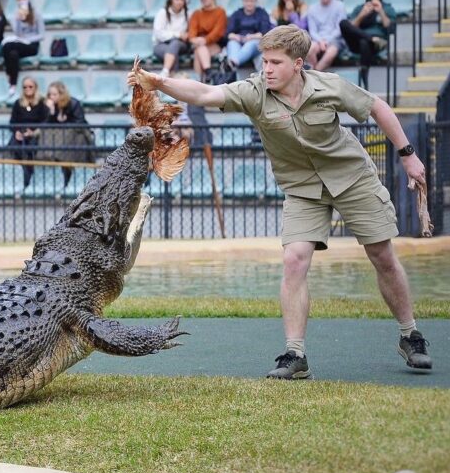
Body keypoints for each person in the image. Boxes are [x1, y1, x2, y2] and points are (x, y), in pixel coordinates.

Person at [127, 24, 433, 380]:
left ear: (298, 64)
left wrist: (408, 155)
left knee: (382, 255)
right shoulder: (254, 92)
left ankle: (410, 334)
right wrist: (160, 82)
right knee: (294, 259)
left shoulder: (328, 85)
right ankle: (295, 354)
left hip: (351, 177)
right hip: (302, 187)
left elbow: (377, 107)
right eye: (264, 61)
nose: (267, 68)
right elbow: (206, 93)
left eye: (275, 62)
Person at [340, 0, 397, 87]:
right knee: (343, 23)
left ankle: (364, 74)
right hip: (358, 41)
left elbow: (390, 28)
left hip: (376, 44)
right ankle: (370, 38)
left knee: (364, 42)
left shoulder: (387, 8)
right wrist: (361, 15)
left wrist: (380, 11)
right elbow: (351, 28)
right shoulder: (359, 8)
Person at [44, 81, 90, 186]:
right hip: (60, 139)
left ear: (61, 94)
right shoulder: (53, 107)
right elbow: (47, 125)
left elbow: (80, 122)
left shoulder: (74, 103)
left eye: (54, 94)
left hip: (77, 136)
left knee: (66, 135)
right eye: (50, 95)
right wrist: (51, 112)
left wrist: (65, 122)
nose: (51, 97)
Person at [2, 0, 46, 96]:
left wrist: (28, 40)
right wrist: (17, 20)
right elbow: (17, 34)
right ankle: (13, 83)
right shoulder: (15, 16)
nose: (22, 1)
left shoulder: (36, 14)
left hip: (31, 45)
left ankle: (8, 74)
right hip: (19, 44)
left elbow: (42, 35)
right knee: (12, 53)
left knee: (9, 45)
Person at [9, 77, 48, 187]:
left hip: (35, 135)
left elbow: (45, 121)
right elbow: (12, 122)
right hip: (20, 135)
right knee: (16, 148)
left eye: (30, 86)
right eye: (25, 87)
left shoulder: (41, 103)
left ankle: (30, 180)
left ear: (35, 87)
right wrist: (17, 132)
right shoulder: (18, 103)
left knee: (30, 151)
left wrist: (33, 132)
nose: (27, 89)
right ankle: (22, 179)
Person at [225, 0, 273, 71]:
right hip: (239, 41)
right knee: (232, 43)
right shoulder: (237, 14)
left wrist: (251, 37)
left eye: (251, 1)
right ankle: (232, 66)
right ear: (243, 1)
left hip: (256, 42)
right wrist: (236, 37)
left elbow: (265, 32)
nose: (249, 3)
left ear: (256, 1)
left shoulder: (262, 13)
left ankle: (232, 63)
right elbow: (228, 33)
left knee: (250, 44)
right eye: (246, 1)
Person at [188, 0, 228, 79]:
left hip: (215, 44)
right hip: (199, 44)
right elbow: (191, 33)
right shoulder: (196, 13)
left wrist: (205, 40)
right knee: (199, 49)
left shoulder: (220, 12)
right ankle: (208, 71)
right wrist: (196, 40)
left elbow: (218, 32)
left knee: (198, 51)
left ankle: (198, 83)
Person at [306, 0, 346, 71]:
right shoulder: (312, 9)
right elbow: (312, 31)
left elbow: (339, 29)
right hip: (318, 39)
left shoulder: (340, 6)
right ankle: (314, 74)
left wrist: (326, 41)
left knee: (331, 53)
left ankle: (316, 74)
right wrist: (321, 41)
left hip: (335, 39)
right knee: (309, 50)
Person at [152, 0, 190, 78]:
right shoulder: (163, 13)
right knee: (173, 52)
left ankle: (165, 72)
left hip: (181, 44)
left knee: (175, 44)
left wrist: (184, 35)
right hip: (161, 44)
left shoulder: (187, 14)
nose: (179, 2)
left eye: (182, 0)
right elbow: (159, 34)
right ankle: (174, 76)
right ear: (171, 0)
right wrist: (177, 34)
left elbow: (189, 33)